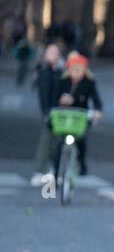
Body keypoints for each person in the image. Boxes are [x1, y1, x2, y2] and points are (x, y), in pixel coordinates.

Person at [53, 53, 104, 175]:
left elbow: (96, 100)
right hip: (64, 117)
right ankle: (56, 170)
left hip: (81, 116)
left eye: (79, 69)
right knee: (59, 144)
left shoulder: (89, 82)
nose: (76, 72)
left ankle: (81, 163)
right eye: (74, 69)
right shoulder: (63, 81)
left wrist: (97, 111)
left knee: (81, 140)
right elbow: (54, 97)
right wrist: (60, 101)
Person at [30, 44, 66, 184]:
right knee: (46, 141)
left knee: (58, 141)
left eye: (56, 53)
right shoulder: (44, 70)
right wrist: (46, 111)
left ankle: (54, 169)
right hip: (50, 111)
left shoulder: (60, 70)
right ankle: (39, 170)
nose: (54, 55)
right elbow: (43, 94)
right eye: (51, 53)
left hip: (61, 111)